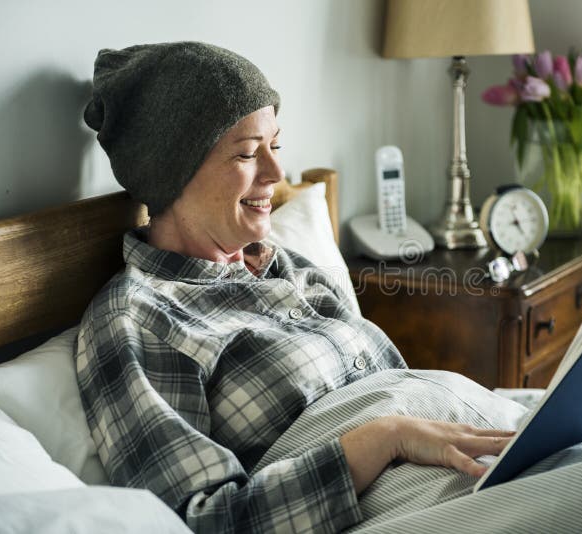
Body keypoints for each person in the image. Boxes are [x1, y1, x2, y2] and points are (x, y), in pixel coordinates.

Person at [76, 41, 514, 534]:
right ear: (172, 173)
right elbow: (202, 522)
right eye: (246, 153)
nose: (276, 175)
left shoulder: (287, 266)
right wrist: (384, 438)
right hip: (433, 501)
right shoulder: (138, 318)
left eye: (275, 146)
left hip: (487, 442)